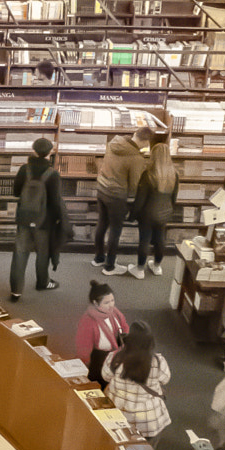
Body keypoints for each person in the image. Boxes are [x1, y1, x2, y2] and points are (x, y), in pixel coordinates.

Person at [9, 138, 64, 301]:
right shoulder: (52, 174)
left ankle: (16, 291)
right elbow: (55, 202)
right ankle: (43, 282)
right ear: (50, 152)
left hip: (24, 218)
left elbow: (16, 192)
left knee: (20, 253)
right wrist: (58, 221)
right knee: (43, 253)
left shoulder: (24, 169)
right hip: (44, 221)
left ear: (33, 150)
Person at [93, 130, 151, 274]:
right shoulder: (136, 158)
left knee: (101, 224)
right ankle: (110, 266)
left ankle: (99, 258)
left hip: (101, 189)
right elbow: (134, 184)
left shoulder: (114, 142)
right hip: (116, 196)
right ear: (145, 142)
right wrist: (132, 203)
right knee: (115, 231)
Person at [105, 321, 172, 442]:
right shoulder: (158, 361)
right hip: (148, 421)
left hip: (118, 415)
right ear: (150, 341)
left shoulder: (115, 358)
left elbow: (106, 376)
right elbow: (165, 379)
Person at [130, 137, 178, 278]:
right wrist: (168, 210)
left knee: (144, 240)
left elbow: (140, 200)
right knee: (160, 240)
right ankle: (157, 266)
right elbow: (174, 198)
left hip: (148, 214)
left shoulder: (149, 175)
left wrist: (132, 215)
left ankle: (139, 270)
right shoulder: (174, 175)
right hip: (164, 213)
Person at [75, 280, 130, 387]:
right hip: (100, 361)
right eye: (106, 302)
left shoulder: (114, 312)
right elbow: (83, 349)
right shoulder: (87, 321)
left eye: (112, 300)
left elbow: (124, 326)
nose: (111, 305)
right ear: (95, 303)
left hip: (117, 355)